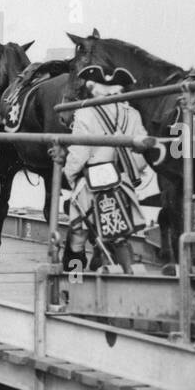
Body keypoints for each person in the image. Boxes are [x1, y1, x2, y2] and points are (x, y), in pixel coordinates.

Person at [60, 63, 151, 274]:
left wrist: (70, 176)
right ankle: (128, 279)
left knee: (78, 235)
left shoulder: (86, 114)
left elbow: (79, 154)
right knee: (119, 236)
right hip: (121, 183)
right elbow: (141, 156)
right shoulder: (133, 114)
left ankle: (76, 280)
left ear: (94, 88)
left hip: (91, 185)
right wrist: (128, 175)